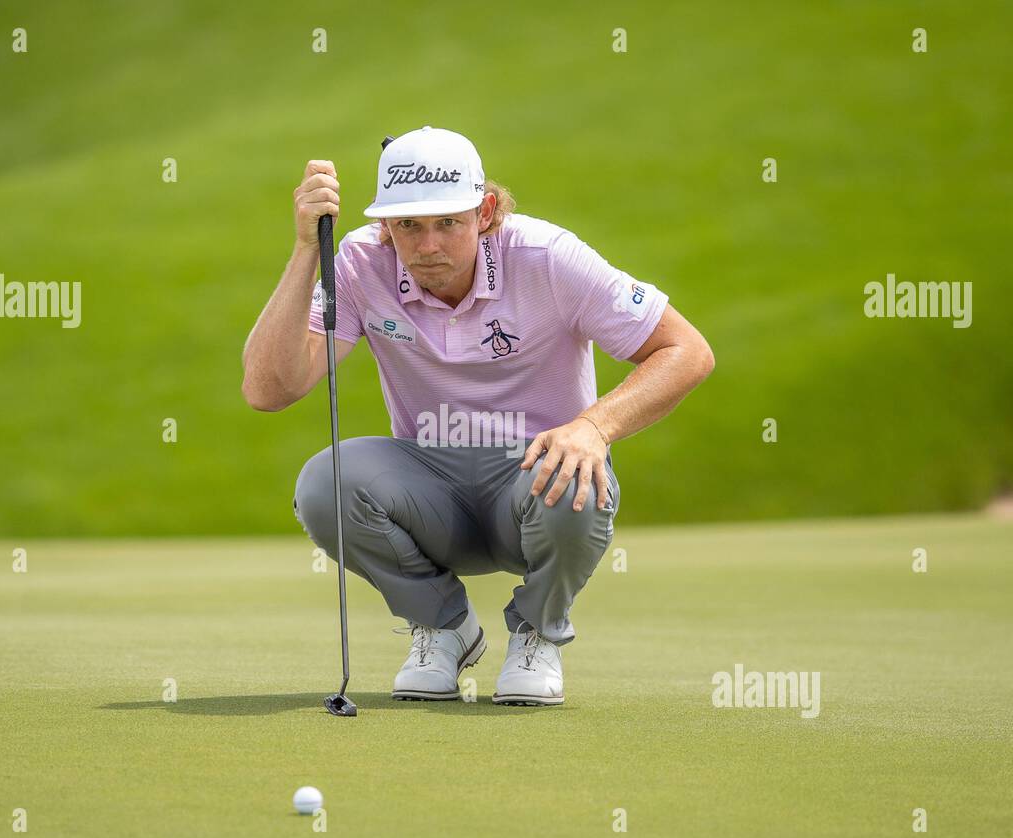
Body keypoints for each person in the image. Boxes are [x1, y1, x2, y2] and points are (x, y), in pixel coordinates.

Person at [243, 126, 714, 706]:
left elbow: (686, 350)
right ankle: (442, 629)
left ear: (485, 211)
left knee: (578, 478)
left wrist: (594, 427)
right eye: (408, 226)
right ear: (385, 225)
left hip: (531, 480)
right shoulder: (362, 262)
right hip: (431, 493)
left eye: (448, 222)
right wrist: (304, 253)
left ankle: (537, 635)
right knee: (325, 482)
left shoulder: (546, 256)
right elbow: (270, 389)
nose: (427, 246)